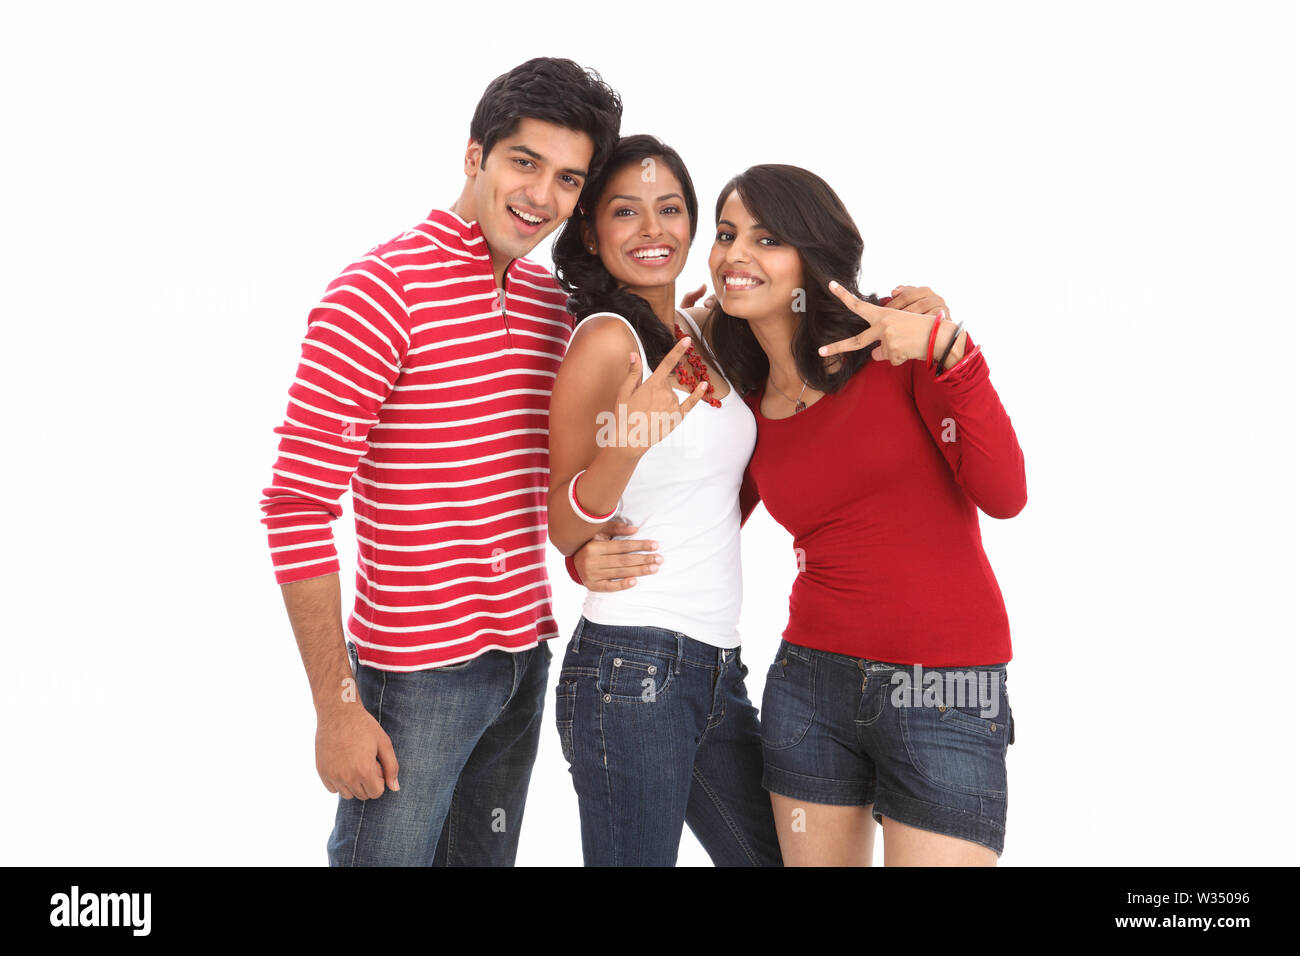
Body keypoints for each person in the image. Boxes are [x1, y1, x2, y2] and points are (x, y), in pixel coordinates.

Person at [574, 163, 1026, 865]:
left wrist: (950, 350)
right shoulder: (746, 396)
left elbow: (1006, 495)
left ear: (811, 258)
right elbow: (705, 504)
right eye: (726, 234)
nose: (736, 254)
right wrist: (585, 550)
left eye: (769, 237)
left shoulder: (899, 347)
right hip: (810, 688)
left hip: (946, 685)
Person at [258, 57, 622, 866]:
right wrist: (337, 705)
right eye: (524, 162)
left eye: (567, 179)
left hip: (524, 659)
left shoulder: (548, 306)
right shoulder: (377, 293)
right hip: (413, 682)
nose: (540, 196)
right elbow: (296, 508)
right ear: (474, 156)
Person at [546, 135, 783, 866]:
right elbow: (561, 518)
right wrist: (633, 437)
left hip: (716, 669)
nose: (653, 231)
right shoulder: (605, 341)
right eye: (626, 212)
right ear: (592, 231)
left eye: (671, 210)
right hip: (632, 666)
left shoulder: (699, 330)